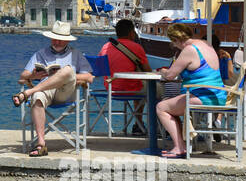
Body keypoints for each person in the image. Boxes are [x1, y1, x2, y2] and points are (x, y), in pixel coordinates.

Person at [13, 20, 93, 157]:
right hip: (46, 92)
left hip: (66, 92)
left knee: (67, 70)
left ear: (67, 41)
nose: (57, 42)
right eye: (54, 39)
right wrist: (34, 74)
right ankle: (41, 144)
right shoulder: (41, 53)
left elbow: (89, 77)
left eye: (60, 40)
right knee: (37, 97)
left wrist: (64, 75)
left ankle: (28, 92)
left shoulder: (76, 54)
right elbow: (23, 75)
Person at [156, 24, 225, 158]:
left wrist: (162, 71)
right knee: (170, 105)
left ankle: (179, 148)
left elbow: (170, 75)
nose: (175, 46)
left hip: (203, 97)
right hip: (217, 95)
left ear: (176, 39)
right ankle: (180, 146)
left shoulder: (189, 50)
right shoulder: (205, 44)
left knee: (161, 107)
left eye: (173, 43)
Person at [99, 19, 149, 134]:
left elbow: (100, 68)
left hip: (111, 89)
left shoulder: (105, 47)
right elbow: (147, 71)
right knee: (154, 91)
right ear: (132, 33)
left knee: (138, 86)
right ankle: (141, 125)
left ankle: (139, 125)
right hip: (132, 90)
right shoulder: (137, 48)